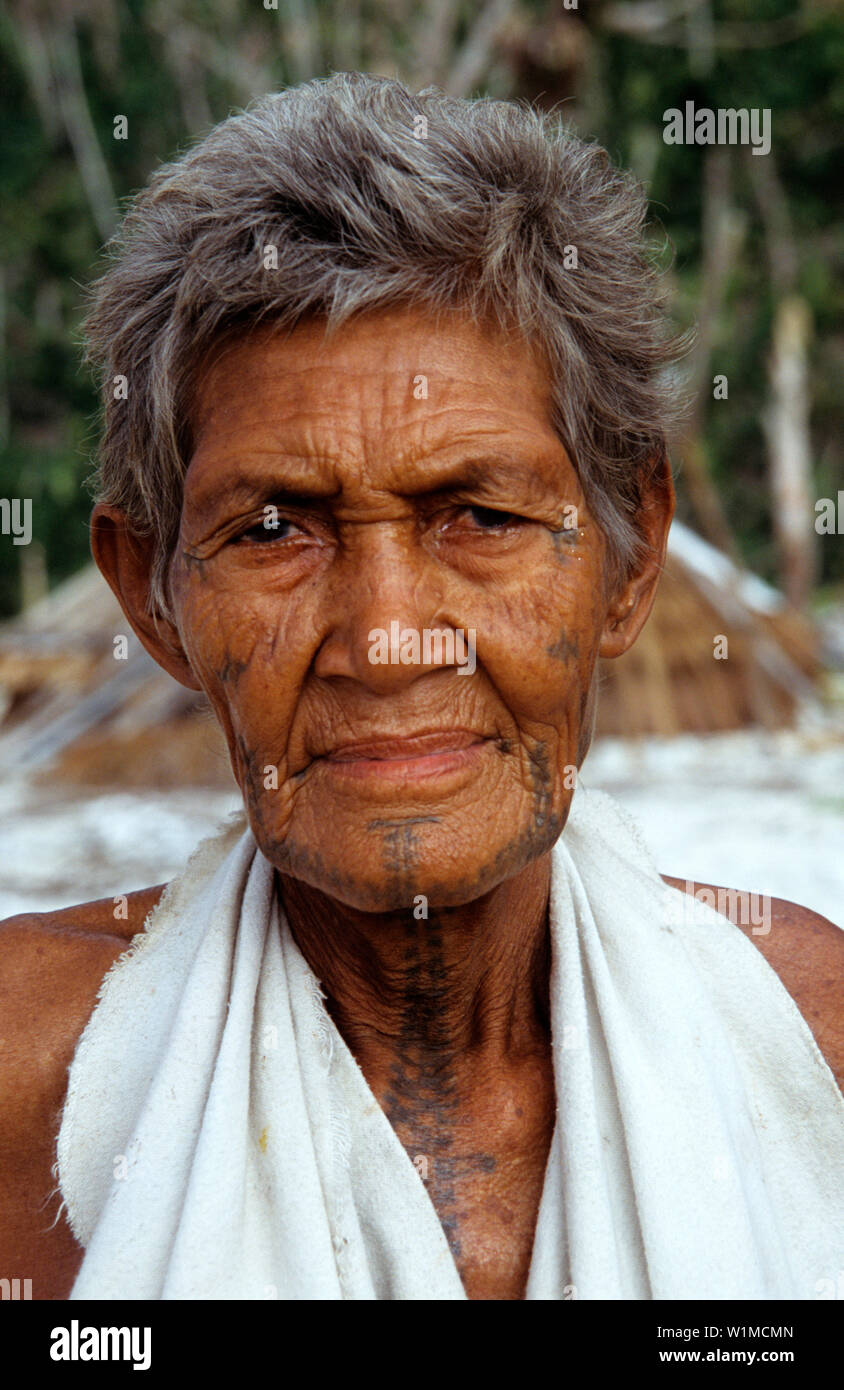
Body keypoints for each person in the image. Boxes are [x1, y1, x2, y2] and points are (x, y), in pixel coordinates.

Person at [1, 73, 842, 1302]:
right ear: (151, 598)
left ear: (631, 556)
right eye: (275, 528)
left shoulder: (806, 1047)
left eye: (481, 515)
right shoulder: (31, 1080)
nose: (387, 640)